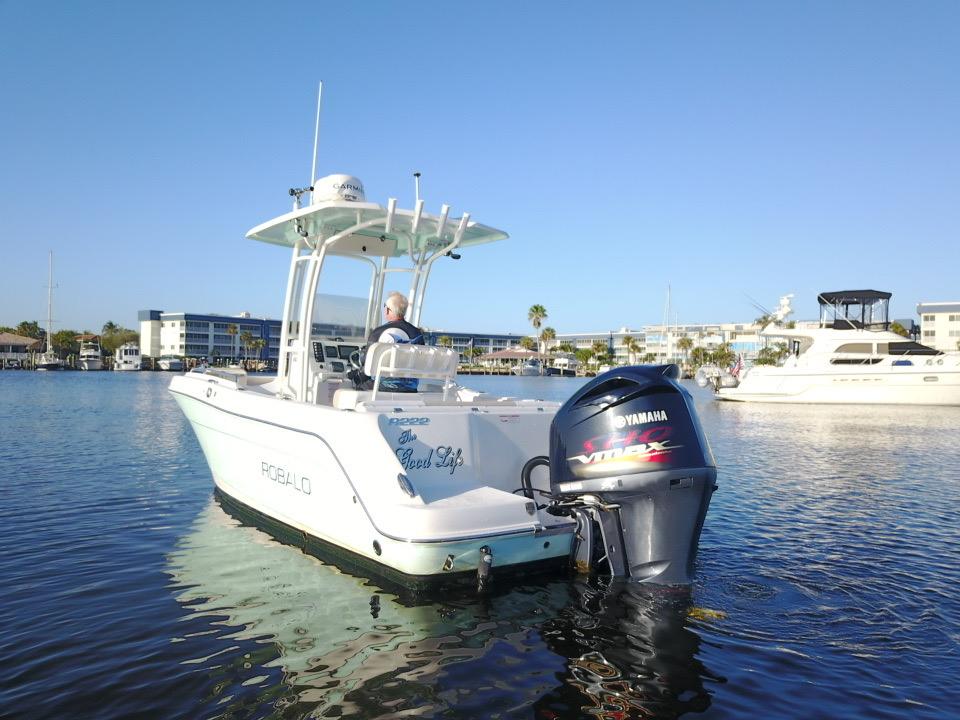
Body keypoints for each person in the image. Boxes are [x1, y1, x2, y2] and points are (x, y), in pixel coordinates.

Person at [350, 292, 424, 391]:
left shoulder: (378, 333)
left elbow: (367, 366)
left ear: (389, 310)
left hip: (381, 388)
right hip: (410, 389)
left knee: (354, 386)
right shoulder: (417, 334)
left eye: (385, 306)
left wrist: (356, 377)